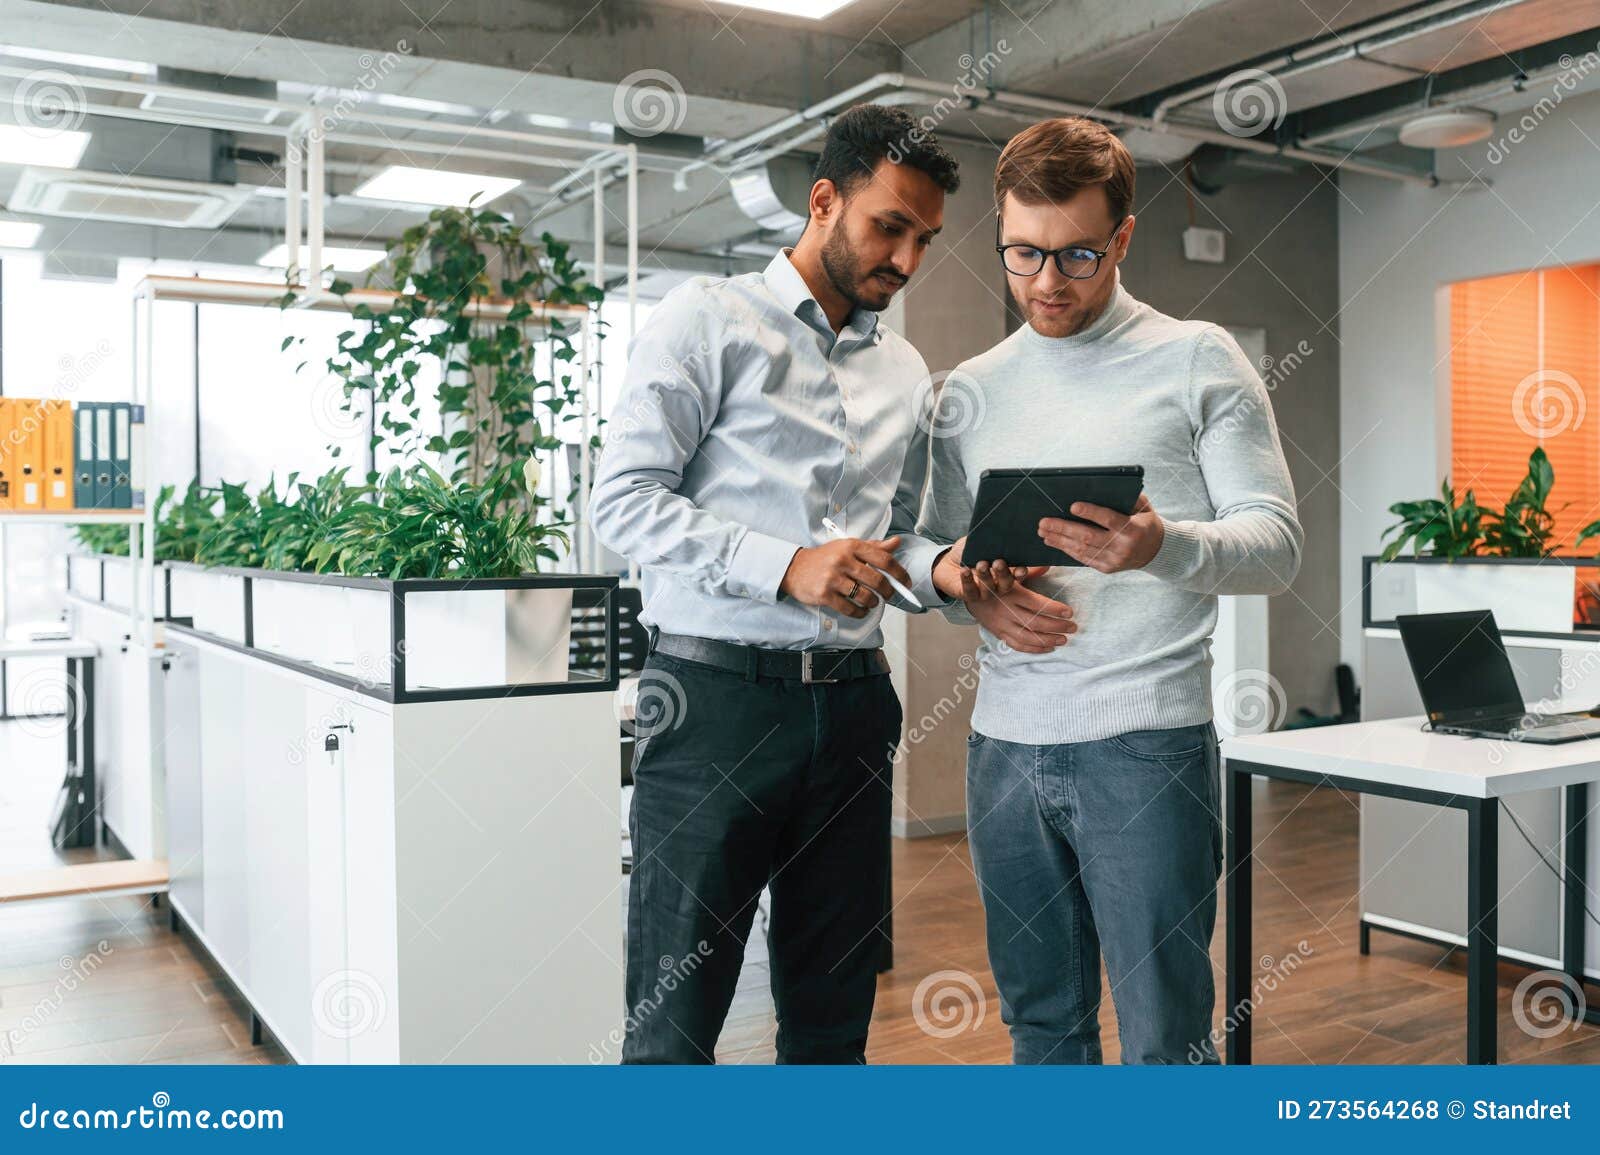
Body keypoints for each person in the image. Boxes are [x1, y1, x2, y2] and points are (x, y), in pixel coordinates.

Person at [589, 104, 976, 1064]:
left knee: (832, 1022)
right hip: (712, 705)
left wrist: (946, 570)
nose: (907, 258)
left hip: (850, 716)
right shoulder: (706, 319)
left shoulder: (908, 368)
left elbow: (901, 535)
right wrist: (786, 566)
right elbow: (623, 501)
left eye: (924, 238)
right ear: (822, 200)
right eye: (889, 226)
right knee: (673, 1029)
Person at [915, 116, 1303, 1064]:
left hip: (1146, 750)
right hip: (1003, 749)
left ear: (1123, 240)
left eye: (1078, 255)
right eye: (1023, 254)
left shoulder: (1199, 357)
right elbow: (921, 547)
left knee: (1166, 1039)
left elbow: (1278, 543)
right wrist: (960, 581)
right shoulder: (965, 389)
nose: (1046, 282)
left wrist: (1160, 544)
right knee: (1041, 1027)